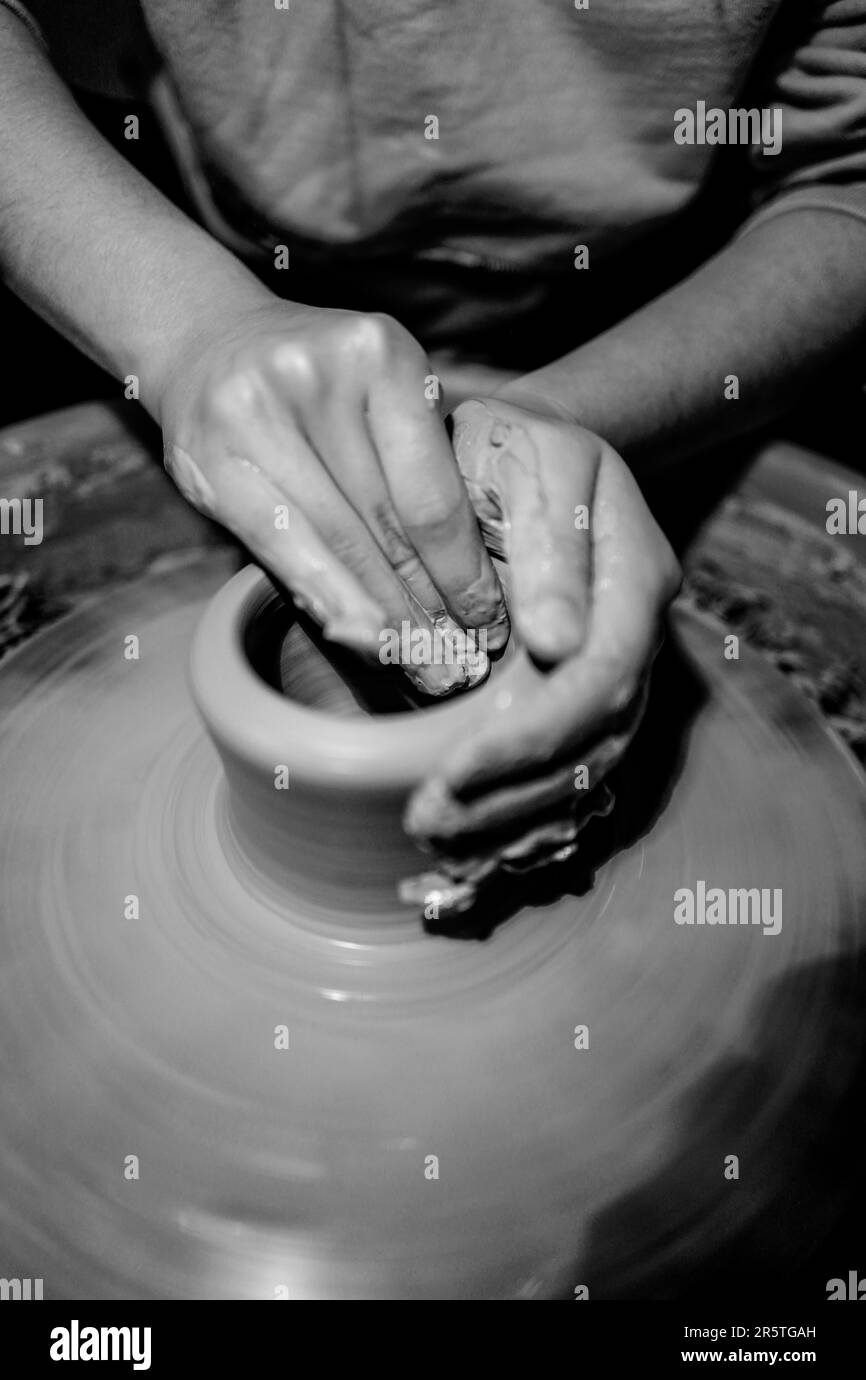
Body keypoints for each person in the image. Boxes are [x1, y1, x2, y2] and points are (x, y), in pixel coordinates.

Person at [2, 0, 865, 884]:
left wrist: (565, 420)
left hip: (661, 300)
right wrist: (190, 329)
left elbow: (849, 186)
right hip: (188, 248)